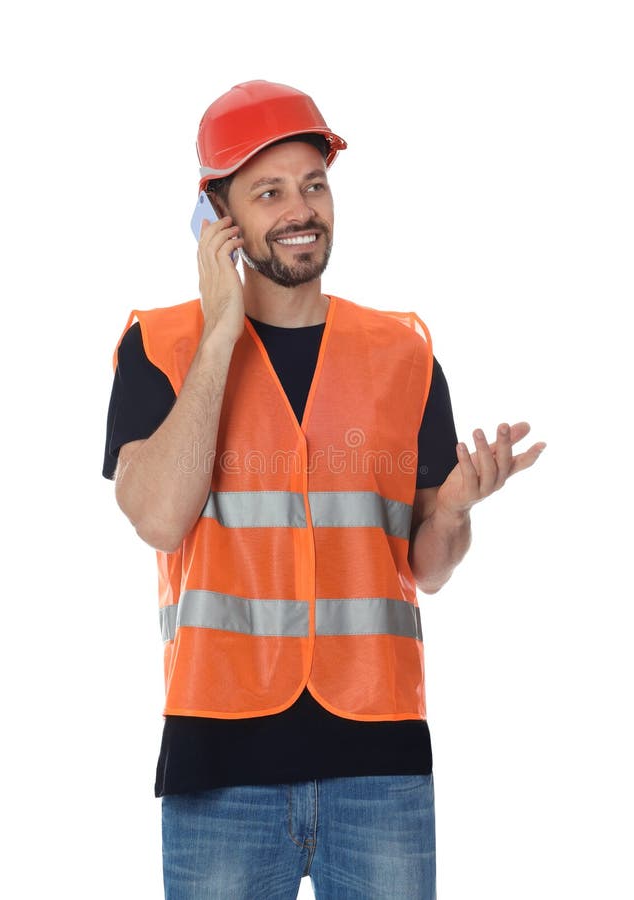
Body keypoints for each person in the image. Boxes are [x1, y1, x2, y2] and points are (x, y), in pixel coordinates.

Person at [102, 80, 545, 900]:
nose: (300, 208)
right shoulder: (161, 347)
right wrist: (222, 331)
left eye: (314, 184)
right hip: (219, 769)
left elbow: (429, 567)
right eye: (268, 191)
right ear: (217, 215)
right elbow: (161, 519)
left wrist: (451, 509)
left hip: (380, 766)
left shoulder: (404, 354)